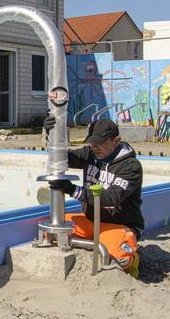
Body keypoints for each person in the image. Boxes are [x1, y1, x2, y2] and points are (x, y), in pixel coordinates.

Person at [42, 115, 145, 275]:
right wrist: (52, 135)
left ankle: (130, 255)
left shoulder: (131, 167)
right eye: (92, 142)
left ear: (116, 141)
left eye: (101, 143)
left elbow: (111, 198)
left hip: (120, 226)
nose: (95, 147)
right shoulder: (90, 154)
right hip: (92, 221)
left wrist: (72, 190)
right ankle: (96, 243)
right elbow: (62, 158)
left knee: (118, 259)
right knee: (54, 229)